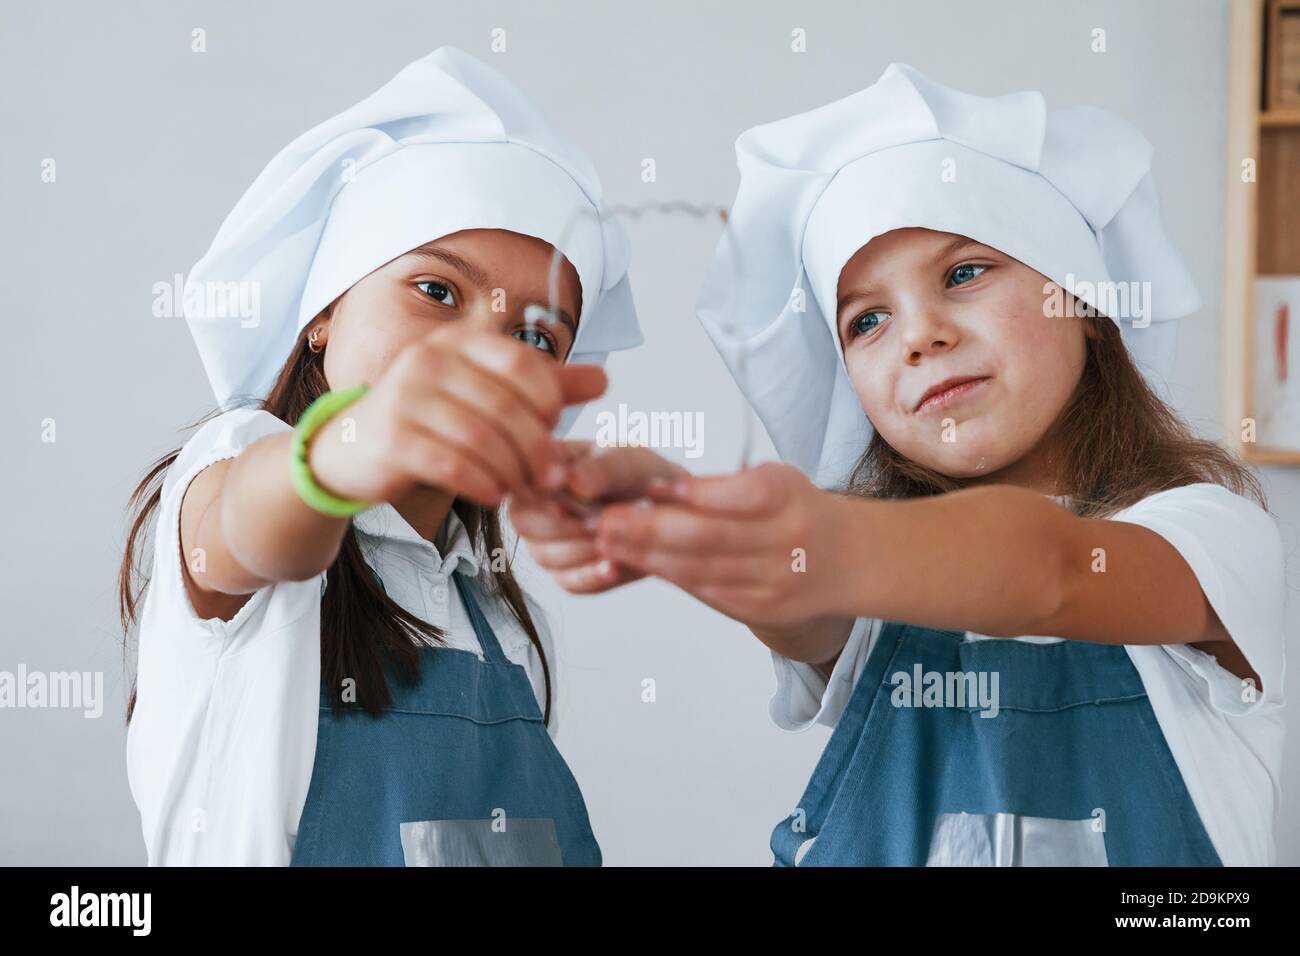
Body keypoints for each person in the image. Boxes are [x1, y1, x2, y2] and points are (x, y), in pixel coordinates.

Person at [511, 64, 1286, 866]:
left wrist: (820, 542)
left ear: (1084, 302)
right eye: (868, 320)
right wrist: (678, 515)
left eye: (964, 273)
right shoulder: (871, 580)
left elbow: (1048, 571)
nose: (920, 335)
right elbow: (799, 595)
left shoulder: (1208, 535)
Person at [120, 47, 641, 866]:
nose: (481, 350)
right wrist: (336, 459)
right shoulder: (243, 468)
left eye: (535, 335)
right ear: (322, 310)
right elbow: (252, 525)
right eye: (437, 292)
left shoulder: (491, 611)